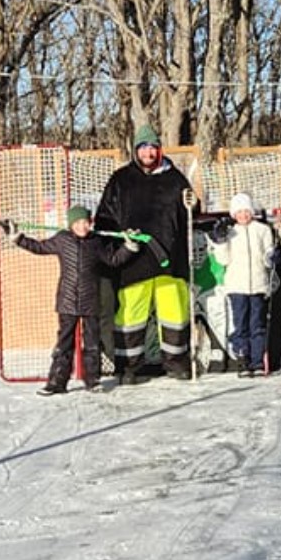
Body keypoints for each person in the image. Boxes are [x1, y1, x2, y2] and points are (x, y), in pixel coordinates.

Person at [95, 124, 195, 384]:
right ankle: (128, 367)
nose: (148, 152)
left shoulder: (176, 179)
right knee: (130, 317)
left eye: (152, 147)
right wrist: (114, 248)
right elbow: (105, 218)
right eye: (143, 148)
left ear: (159, 150)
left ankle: (176, 363)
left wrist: (193, 205)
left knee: (175, 314)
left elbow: (190, 216)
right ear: (136, 150)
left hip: (170, 261)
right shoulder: (120, 180)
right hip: (133, 263)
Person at [1, 206, 133, 394]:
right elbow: (39, 247)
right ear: (71, 224)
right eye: (78, 222)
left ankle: (92, 381)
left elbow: (113, 259)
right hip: (67, 300)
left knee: (92, 343)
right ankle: (57, 382)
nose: (82, 226)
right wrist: (17, 238)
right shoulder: (62, 240)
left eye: (86, 222)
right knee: (64, 343)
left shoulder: (96, 242)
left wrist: (129, 247)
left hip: (91, 301)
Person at [208, 192, 279, 376]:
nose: (243, 215)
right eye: (239, 212)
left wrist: (271, 257)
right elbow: (223, 260)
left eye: (246, 211)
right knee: (241, 324)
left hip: (258, 285)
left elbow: (267, 256)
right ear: (234, 214)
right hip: (237, 286)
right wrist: (221, 241)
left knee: (257, 324)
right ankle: (242, 358)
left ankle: (257, 361)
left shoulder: (262, 230)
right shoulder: (231, 232)